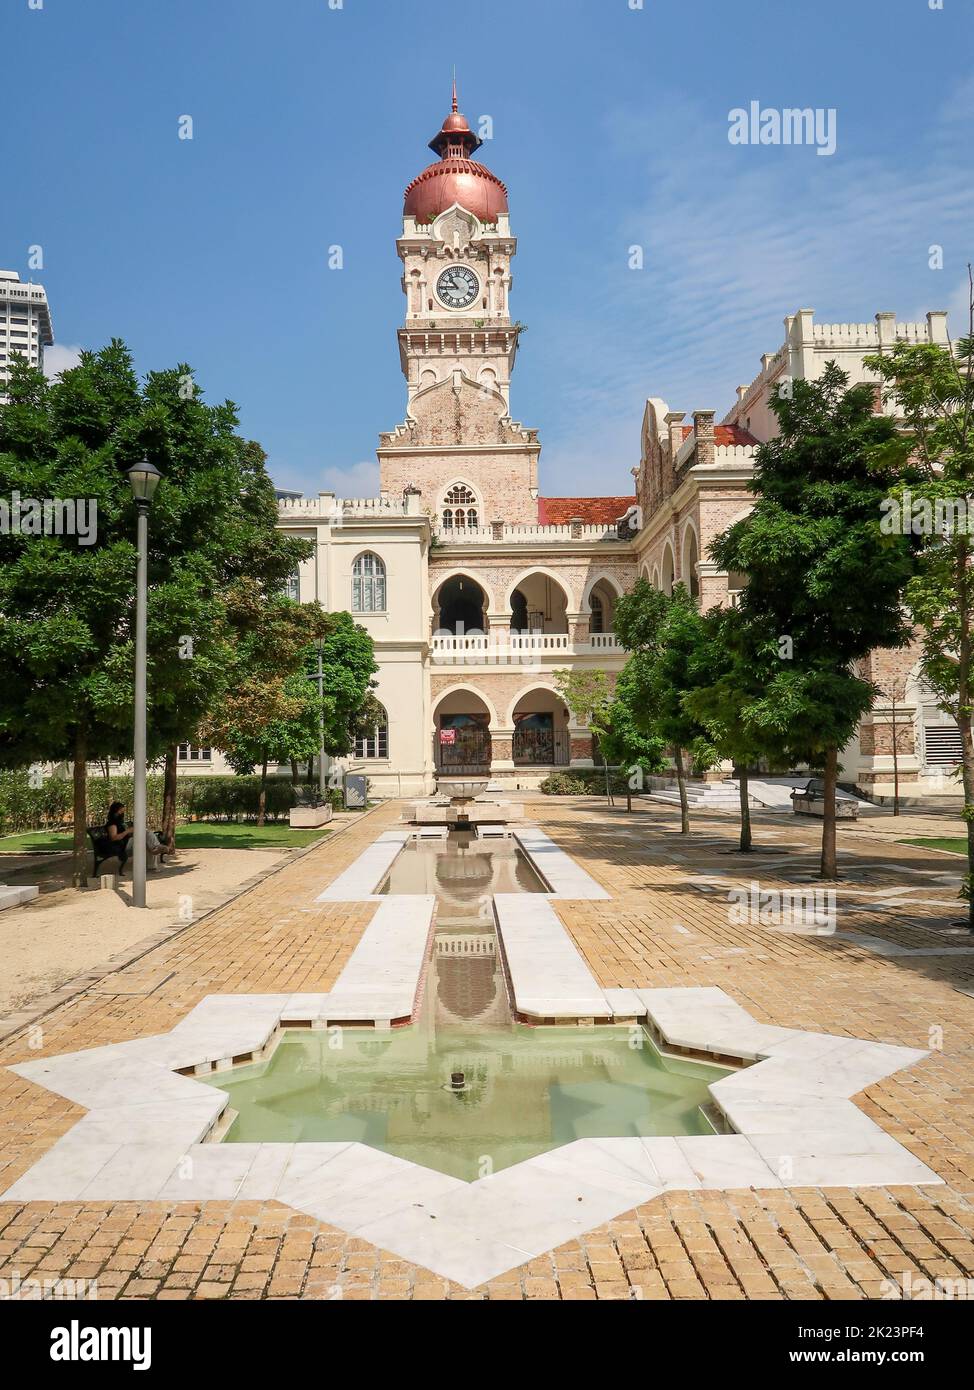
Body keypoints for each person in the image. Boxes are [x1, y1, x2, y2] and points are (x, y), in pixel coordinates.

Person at [104, 800, 133, 872]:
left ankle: (156, 848)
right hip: (120, 845)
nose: (122, 813)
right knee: (145, 836)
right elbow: (114, 837)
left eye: (123, 811)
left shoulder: (120, 822)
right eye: (121, 811)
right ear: (115, 811)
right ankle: (158, 847)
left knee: (146, 835)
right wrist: (128, 831)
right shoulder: (112, 823)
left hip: (127, 842)